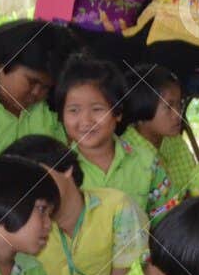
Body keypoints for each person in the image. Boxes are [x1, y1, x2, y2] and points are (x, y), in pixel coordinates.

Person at [3, 135, 144, 275]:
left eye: (37, 179)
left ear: (66, 169)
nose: (31, 192)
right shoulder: (20, 225)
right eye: (21, 186)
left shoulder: (117, 207)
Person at [0, 20, 78, 188]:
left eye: (46, 87)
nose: (36, 93)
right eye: (32, 82)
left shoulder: (50, 110)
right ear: (6, 63)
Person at [53, 55, 177, 226]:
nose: (86, 121)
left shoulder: (147, 163)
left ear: (118, 112)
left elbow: (167, 220)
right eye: (74, 110)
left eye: (97, 109)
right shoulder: (57, 169)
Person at [123, 64, 197, 193]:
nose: (178, 114)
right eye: (169, 107)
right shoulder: (126, 153)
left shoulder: (175, 142)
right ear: (142, 108)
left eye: (180, 104)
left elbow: (191, 187)